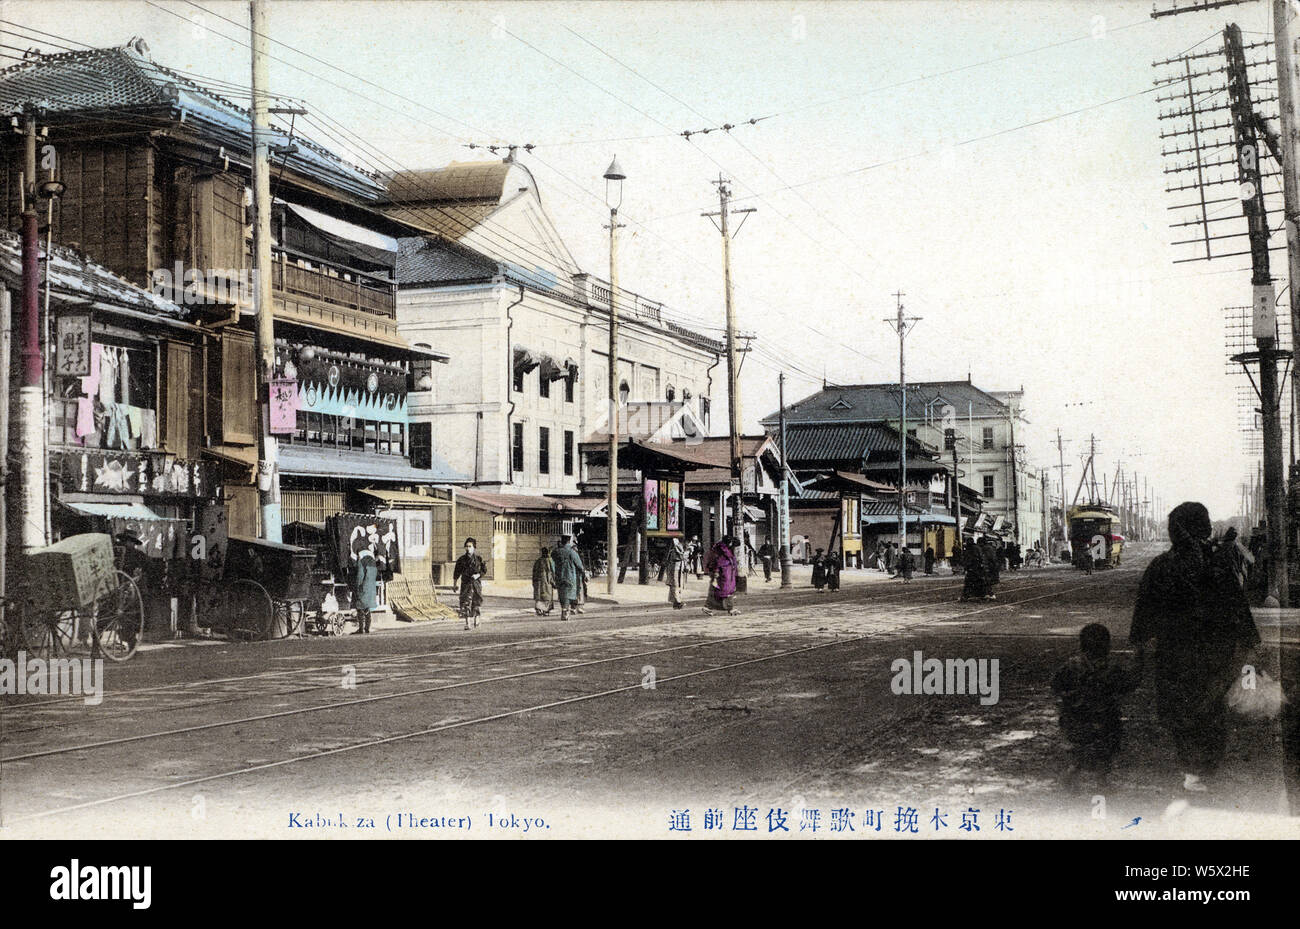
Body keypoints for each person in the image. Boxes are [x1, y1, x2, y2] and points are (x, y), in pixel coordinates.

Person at [1130, 502, 1261, 792]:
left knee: (1182, 718)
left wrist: (1138, 661)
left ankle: (1192, 769)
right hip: (1216, 660)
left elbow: (1142, 620)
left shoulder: (1161, 567)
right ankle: (1205, 771)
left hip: (1175, 660)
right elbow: (1241, 616)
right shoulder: (1220, 567)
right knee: (1212, 713)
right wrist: (1246, 654)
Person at [1051, 623, 1142, 787]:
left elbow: (1056, 684)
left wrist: (1068, 697)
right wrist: (1138, 661)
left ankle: (1072, 773)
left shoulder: (1072, 665)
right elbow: (1128, 684)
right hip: (1105, 718)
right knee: (1105, 751)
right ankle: (1102, 780)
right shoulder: (1111, 668)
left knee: (1079, 750)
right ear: (1107, 646)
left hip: (1076, 717)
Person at [551, 535, 587, 621]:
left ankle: (564, 609)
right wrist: (584, 573)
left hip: (559, 576)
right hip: (570, 577)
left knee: (562, 594)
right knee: (569, 594)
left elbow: (551, 561)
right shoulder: (572, 552)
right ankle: (566, 611)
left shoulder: (556, 552)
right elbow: (579, 565)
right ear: (569, 541)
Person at [452, 537, 486, 630]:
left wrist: (478, 575)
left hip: (476, 584)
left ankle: (477, 618)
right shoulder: (461, 560)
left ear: (474, 547)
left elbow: (484, 571)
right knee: (465, 603)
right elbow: (456, 573)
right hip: (466, 584)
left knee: (476, 602)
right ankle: (467, 623)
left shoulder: (479, 559)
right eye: (466, 546)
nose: (468, 548)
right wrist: (455, 584)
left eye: (470, 546)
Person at [703, 536, 740, 615]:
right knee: (722, 591)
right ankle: (709, 606)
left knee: (725, 591)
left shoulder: (725, 549)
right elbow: (718, 563)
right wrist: (716, 573)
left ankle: (729, 608)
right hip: (723, 574)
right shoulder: (722, 551)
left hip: (727, 574)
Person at [531, 546, 555, 616]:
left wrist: (534, 581)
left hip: (538, 581)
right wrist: (554, 580)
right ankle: (546, 610)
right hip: (547, 580)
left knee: (539, 596)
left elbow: (534, 572)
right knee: (547, 595)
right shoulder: (550, 561)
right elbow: (553, 571)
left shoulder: (538, 561)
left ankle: (539, 609)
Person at [665, 536, 687, 609]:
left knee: (677, 585)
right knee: (675, 585)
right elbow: (679, 558)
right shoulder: (673, 552)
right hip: (674, 570)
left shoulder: (675, 552)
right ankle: (678, 601)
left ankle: (676, 602)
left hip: (678, 570)